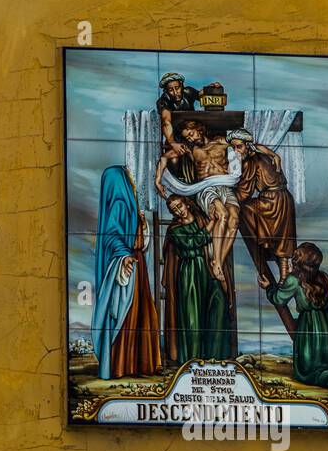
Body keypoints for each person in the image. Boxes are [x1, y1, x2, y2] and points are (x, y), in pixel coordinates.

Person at [90, 166, 161, 380]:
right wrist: (125, 254)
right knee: (128, 314)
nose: (132, 182)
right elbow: (112, 235)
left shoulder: (129, 205)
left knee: (139, 313)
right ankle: (124, 364)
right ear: (120, 182)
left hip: (135, 261)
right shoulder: (121, 204)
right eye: (129, 178)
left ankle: (135, 363)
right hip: (129, 263)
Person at [154, 120, 240, 283]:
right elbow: (165, 158)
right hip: (206, 188)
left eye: (192, 134)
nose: (191, 139)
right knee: (222, 214)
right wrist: (158, 180)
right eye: (188, 137)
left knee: (234, 220)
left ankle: (218, 261)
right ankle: (216, 260)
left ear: (200, 129)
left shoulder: (221, 142)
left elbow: (242, 143)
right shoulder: (190, 150)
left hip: (225, 185)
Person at [263, 243, 328, 391]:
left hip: (308, 330)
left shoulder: (294, 280)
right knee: (326, 364)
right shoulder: (326, 280)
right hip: (326, 329)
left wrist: (269, 287)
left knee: (308, 372)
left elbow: (279, 299)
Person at [161, 195, 230, 364]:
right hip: (189, 273)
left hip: (205, 268)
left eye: (180, 206)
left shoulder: (200, 218)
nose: (179, 211)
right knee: (192, 315)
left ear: (186, 204)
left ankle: (212, 354)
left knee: (215, 306)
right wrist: (212, 224)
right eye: (174, 210)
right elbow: (193, 242)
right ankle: (193, 357)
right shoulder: (174, 229)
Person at [227, 129, 297, 285]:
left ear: (247, 145)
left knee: (244, 209)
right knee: (283, 238)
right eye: (233, 148)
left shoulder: (251, 162)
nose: (236, 151)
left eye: (239, 147)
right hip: (285, 198)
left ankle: (263, 241)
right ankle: (284, 277)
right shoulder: (264, 155)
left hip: (271, 201)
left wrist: (226, 197)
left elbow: (244, 192)